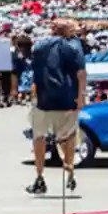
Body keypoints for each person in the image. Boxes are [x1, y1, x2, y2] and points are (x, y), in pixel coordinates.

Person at [27, 18, 86, 195]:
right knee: (68, 136)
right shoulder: (73, 47)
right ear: (68, 31)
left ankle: (39, 177)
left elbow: (35, 73)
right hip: (67, 99)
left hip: (43, 99)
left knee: (39, 136)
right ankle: (69, 173)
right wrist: (81, 96)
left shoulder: (38, 47)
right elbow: (81, 74)